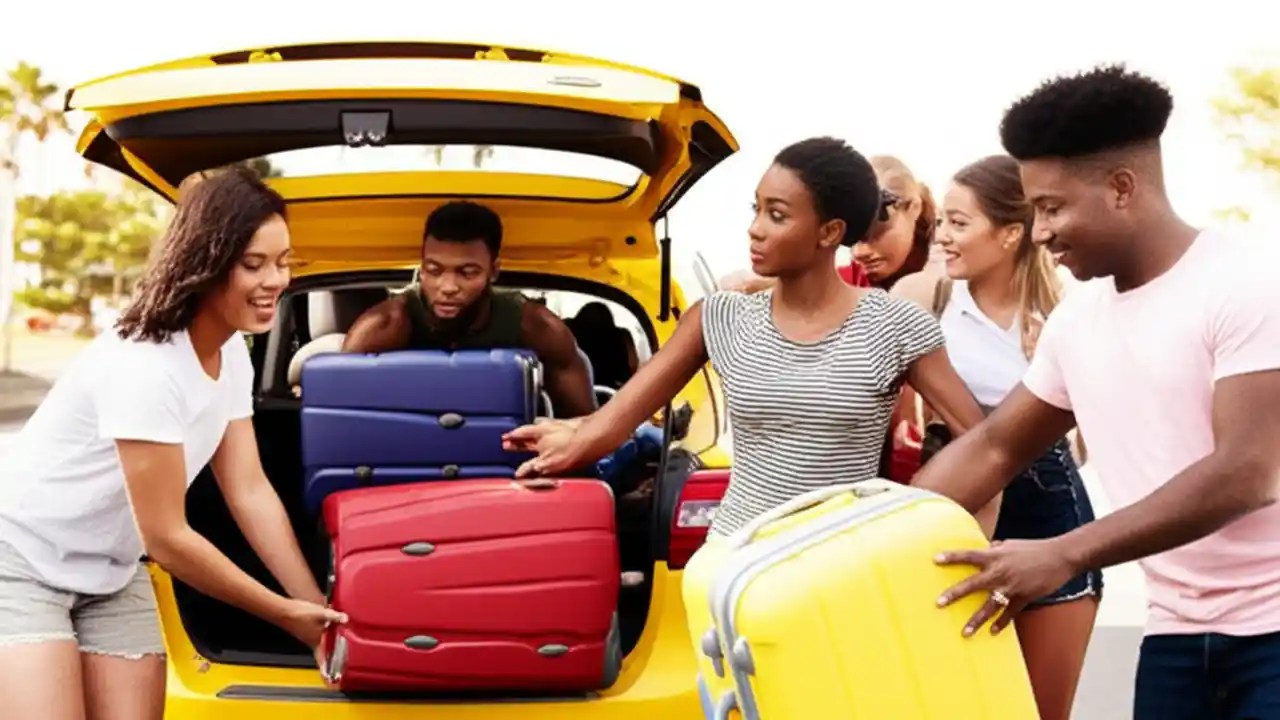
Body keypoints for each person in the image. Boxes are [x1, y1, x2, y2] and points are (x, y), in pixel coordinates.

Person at [916, 65, 1280, 720]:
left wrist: (1064, 552)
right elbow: (998, 446)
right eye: (1032, 212)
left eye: (1052, 208)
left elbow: (1246, 473)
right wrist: (868, 537)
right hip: (1175, 637)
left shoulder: (1246, 285)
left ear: (1120, 188)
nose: (1041, 232)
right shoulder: (1078, 322)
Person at [499, 136, 999, 538]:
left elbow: (984, 447)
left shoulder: (896, 326)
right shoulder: (719, 318)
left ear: (830, 232)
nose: (755, 230)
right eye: (756, 210)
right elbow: (614, 420)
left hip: (844, 573)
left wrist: (931, 533)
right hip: (737, 560)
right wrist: (566, 438)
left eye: (777, 215)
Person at [0, 167, 345, 720]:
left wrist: (313, 610)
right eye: (252, 264)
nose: (275, 280)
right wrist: (284, 614)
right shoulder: (146, 365)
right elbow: (166, 538)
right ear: (205, 263)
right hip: (20, 559)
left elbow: (250, 489)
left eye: (283, 263)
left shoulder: (232, 351)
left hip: (110, 573)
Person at [894, 154, 1101, 720]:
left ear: (1011, 234)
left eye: (960, 224)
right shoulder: (923, 297)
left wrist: (1061, 372)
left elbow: (1083, 445)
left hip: (1050, 514)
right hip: (953, 509)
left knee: (1039, 712)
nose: (942, 238)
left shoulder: (1062, 310)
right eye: (944, 223)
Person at [341, 200, 595, 418]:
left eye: (467, 273)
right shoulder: (384, 326)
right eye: (434, 270)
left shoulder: (536, 327)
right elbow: (339, 424)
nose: (448, 287)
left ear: (493, 271)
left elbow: (584, 429)